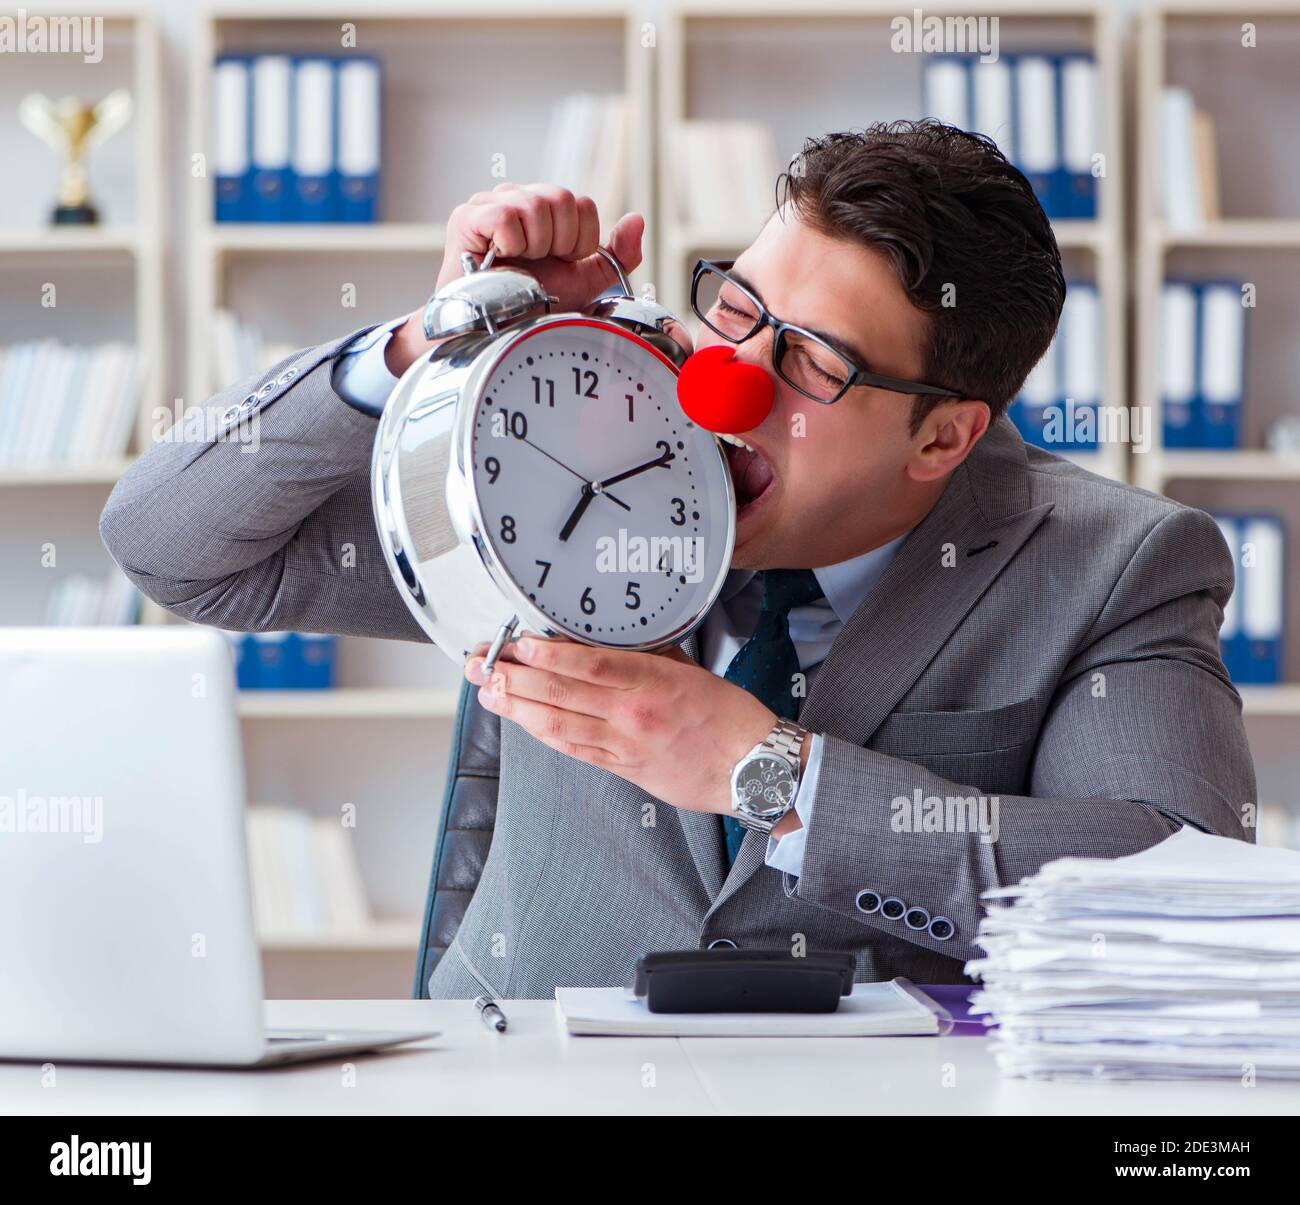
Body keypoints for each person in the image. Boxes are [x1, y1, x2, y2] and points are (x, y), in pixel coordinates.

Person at [101, 121, 1254, 999]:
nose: (724, 381)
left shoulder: (1115, 562)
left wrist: (778, 777)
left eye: (810, 364)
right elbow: (176, 547)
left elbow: (1171, 884)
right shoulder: (569, 442)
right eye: (738, 303)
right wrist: (426, 346)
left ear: (943, 434)